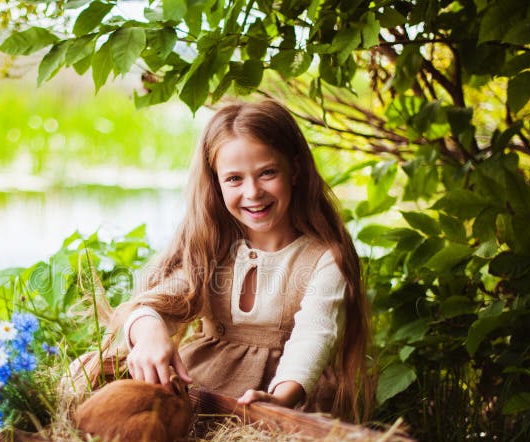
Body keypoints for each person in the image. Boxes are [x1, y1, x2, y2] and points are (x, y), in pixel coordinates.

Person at [82, 99, 371, 421]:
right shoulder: (214, 246)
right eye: (234, 179)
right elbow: (163, 300)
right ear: (216, 184)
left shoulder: (324, 258)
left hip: (287, 403)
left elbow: (315, 333)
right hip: (203, 390)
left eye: (267, 173)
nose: (252, 192)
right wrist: (149, 330)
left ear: (295, 170)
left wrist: (280, 398)